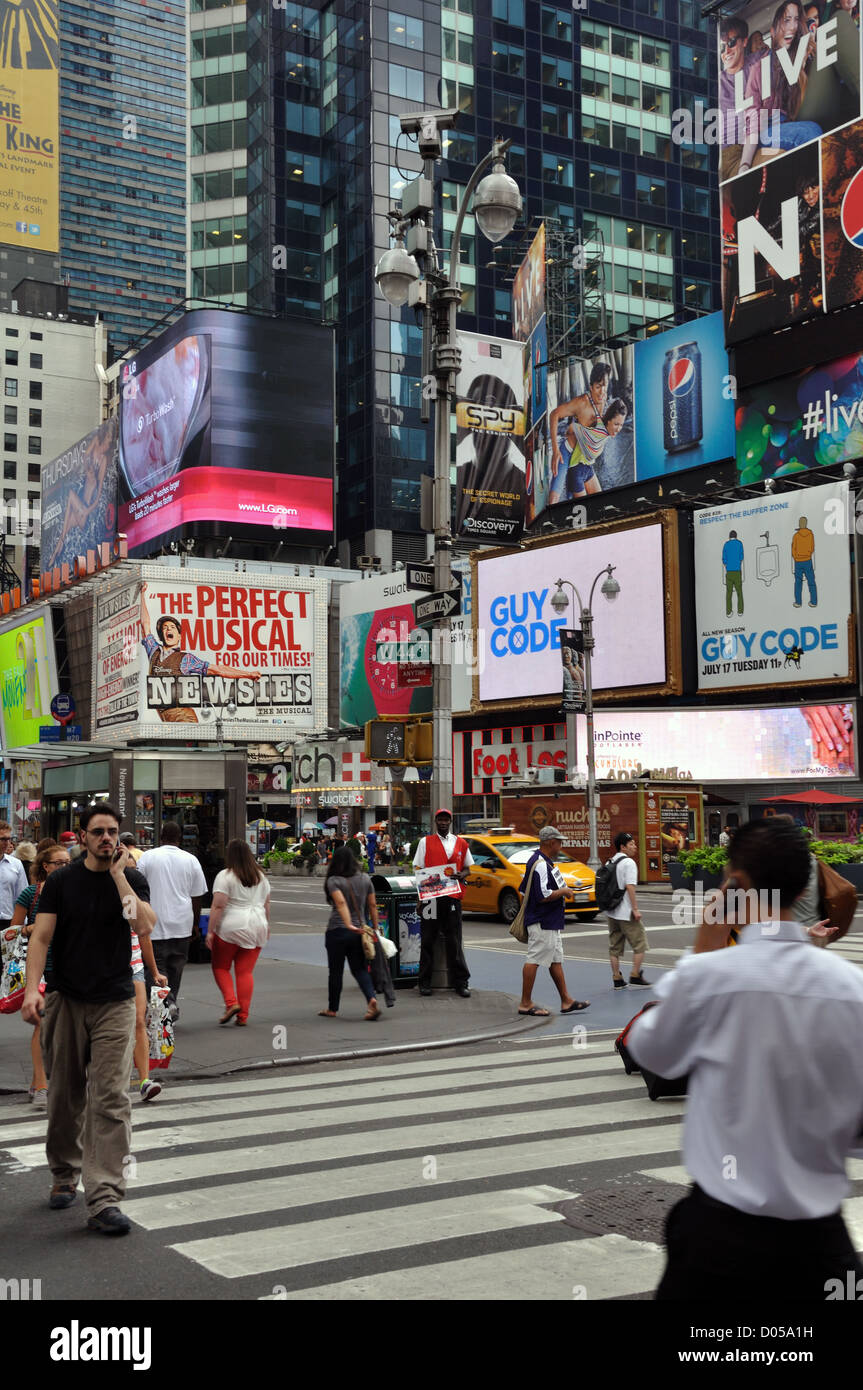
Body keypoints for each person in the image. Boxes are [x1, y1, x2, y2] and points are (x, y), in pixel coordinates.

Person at [627, 818, 863, 1300]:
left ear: (736, 883)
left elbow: (653, 1053)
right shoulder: (851, 992)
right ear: (805, 885)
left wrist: (708, 939)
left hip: (719, 1244)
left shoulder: (709, 978)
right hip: (821, 1248)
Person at [21, 802, 156, 1235]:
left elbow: (144, 926)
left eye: (112, 831)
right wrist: (31, 992)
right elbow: (41, 938)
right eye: (97, 832)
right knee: (64, 1096)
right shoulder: (61, 881)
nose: (106, 839)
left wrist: (119, 877)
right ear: (82, 837)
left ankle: (104, 1198)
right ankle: (64, 1173)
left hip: (115, 1001)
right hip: (66, 998)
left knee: (112, 1099)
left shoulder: (130, 878)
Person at [139, 581, 259, 724]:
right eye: (165, 628)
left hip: (183, 716)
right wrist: (142, 595)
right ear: (161, 634)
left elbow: (218, 670)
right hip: (165, 717)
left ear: (179, 636)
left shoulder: (186, 659)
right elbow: (145, 625)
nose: (168, 630)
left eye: (172, 627)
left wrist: (248, 674)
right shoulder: (154, 651)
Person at [9, 841, 67, 1109]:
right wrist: (32, 928)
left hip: (70, 968)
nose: (64, 867)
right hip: (41, 967)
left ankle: (41, 1081)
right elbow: (12, 930)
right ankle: (42, 1086)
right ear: (45, 866)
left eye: (68, 863)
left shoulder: (74, 892)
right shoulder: (31, 894)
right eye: (59, 863)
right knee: (42, 1027)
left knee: (64, 1030)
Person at [738, 3, 822, 174]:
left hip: (791, 122)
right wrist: (744, 164)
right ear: (773, 30)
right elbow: (752, 118)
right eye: (786, 20)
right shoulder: (761, 67)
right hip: (766, 129)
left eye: (796, 20)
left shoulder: (801, 57)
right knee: (810, 132)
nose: (791, 26)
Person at [137, 822, 208, 1023]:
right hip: (182, 924)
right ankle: (171, 1002)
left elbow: (138, 887)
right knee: (176, 968)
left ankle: (163, 1006)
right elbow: (197, 896)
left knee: (156, 969)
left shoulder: (148, 857)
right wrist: (195, 923)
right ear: (180, 838)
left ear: (160, 837)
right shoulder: (191, 860)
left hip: (154, 924)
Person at [517, 827, 589, 1017]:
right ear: (551, 842)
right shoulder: (541, 863)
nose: (561, 845)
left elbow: (523, 890)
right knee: (534, 959)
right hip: (543, 921)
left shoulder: (541, 861)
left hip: (549, 921)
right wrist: (564, 892)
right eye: (559, 841)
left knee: (555, 960)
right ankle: (525, 1003)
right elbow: (543, 895)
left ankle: (566, 1000)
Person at [206, 838, 270, 1026]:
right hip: (257, 924)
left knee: (220, 967)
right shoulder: (261, 876)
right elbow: (266, 904)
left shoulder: (225, 876)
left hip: (231, 925)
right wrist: (267, 927)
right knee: (245, 972)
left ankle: (231, 1003)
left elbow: (218, 905)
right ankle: (243, 1016)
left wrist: (210, 931)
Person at [413, 808, 473, 998]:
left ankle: (461, 982)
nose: (443, 822)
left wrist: (460, 875)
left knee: (454, 941)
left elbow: (467, 870)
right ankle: (424, 982)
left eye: (446, 819)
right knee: (428, 940)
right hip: (431, 898)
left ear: (450, 822)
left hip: (452, 897)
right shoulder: (425, 842)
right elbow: (418, 868)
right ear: (435, 822)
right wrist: (420, 898)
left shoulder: (461, 843)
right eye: (440, 819)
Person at [319, 845, 381, 1021]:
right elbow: (373, 906)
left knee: (336, 971)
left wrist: (347, 924)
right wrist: (375, 930)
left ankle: (332, 1009)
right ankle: (371, 999)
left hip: (337, 931)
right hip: (359, 932)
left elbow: (340, 903)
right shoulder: (365, 879)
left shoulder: (333, 880)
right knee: (360, 969)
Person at [606, 831, 648, 988]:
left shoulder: (610, 861)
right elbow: (630, 886)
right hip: (626, 911)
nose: (635, 847)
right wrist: (635, 909)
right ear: (622, 847)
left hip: (612, 911)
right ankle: (635, 974)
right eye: (631, 844)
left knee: (614, 947)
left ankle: (617, 978)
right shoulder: (629, 863)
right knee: (640, 944)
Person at [0, 823, 28, 934]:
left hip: (9, 922)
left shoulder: (16, 864)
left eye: (9, 839)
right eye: (2, 839)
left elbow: (21, 894)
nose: (7, 842)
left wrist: (22, 923)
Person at [791, 514, 817, 607]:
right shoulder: (810, 534)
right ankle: (813, 602)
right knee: (811, 581)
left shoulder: (796, 536)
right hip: (808, 560)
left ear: (799, 524)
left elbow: (793, 549)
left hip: (798, 562)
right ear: (806, 524)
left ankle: (798, 602)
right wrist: (808, 554)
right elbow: (812, 547)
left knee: (798, 582)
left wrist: (796, 557)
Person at [721, 530, 744, 617]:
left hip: (729, 572)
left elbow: (724, 559)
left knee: (729, 593)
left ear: (729, 536)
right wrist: (737, 563)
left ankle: (728, 612)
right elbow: (741, 556)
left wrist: (727, 565)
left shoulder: (726, 545)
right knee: (739, 592)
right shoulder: (739, 543)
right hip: (737, 571)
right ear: (736, 536)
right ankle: (740, 611)